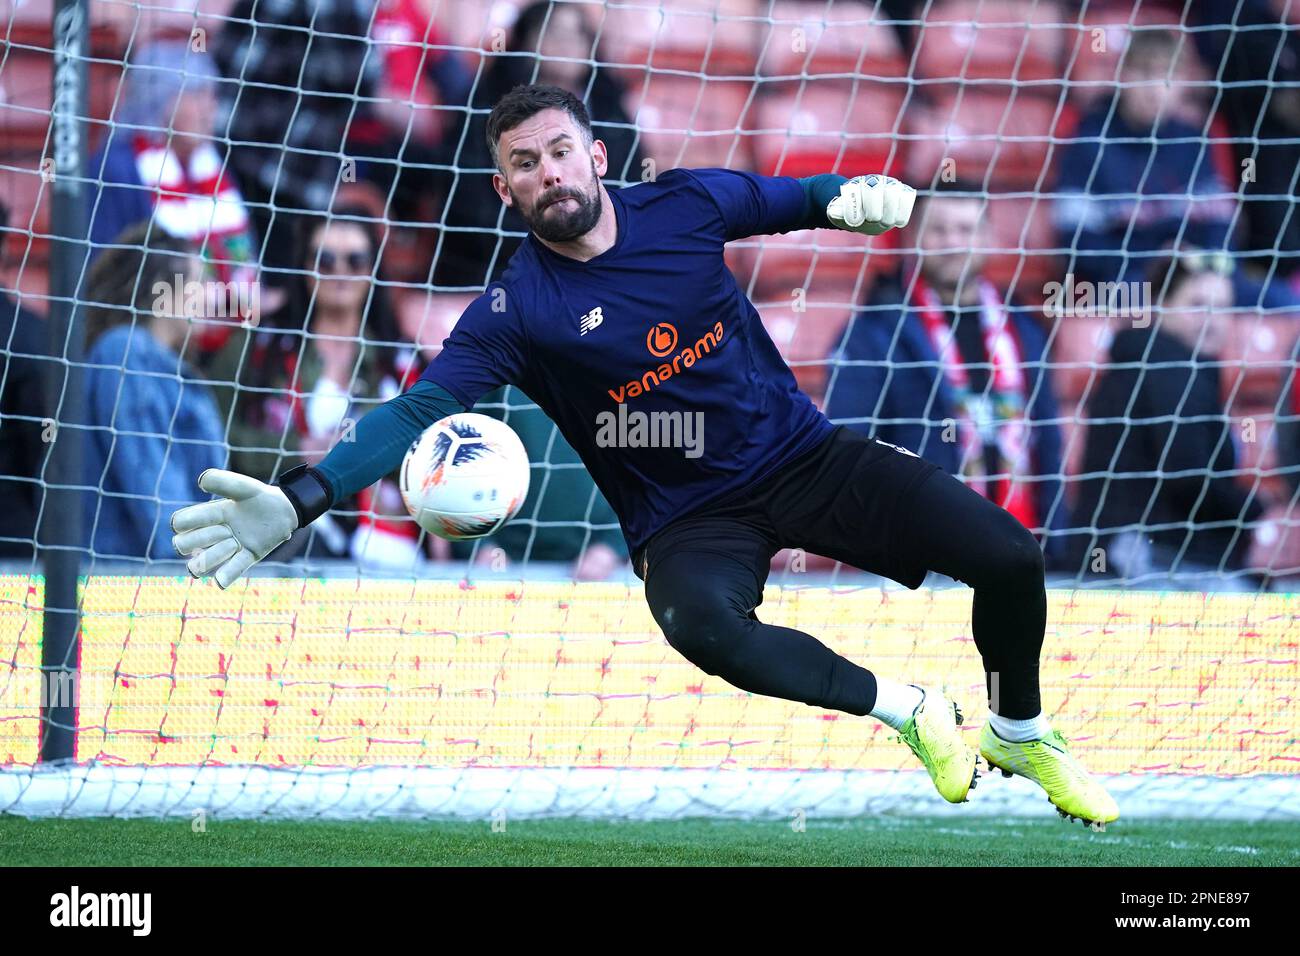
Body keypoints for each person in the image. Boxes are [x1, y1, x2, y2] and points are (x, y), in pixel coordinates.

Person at [170, 84, 1119, 829]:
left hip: (802, 458)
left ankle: (1019, 731)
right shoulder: (514, 315)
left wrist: (856, 198)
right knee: (704, 627)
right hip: (684, 520)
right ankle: (911, 709)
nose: (548, 174)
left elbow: (796, 198)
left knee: (1009, 557)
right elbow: (410, 412)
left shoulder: (685, 205)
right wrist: (299, 498)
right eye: (523, 166)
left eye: (558, 152)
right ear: (504, 192)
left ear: (598, 154)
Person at [824, 180, 1070, 570]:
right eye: (938, 229)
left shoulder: (1023, 328)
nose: (952, 242)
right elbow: (852, 444)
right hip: (922, 556)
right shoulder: (874, 330)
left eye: (965, 229)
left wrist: (1056, 542)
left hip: (1022, 548)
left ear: (988, 236)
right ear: (914, 236)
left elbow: (1048, 441)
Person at [207, 207, 404, 565]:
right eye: (324, 260)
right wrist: (296, 452)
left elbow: (427, 453)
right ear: (304, 265)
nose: (340, 272)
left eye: (355, 260)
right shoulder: (256, 348)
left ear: (373, 268)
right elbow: (208, 435)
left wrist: (358, 455)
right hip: (274, 539)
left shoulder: (401, 360)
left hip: (384, 545)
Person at [1070, 250, 1272, 590]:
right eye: (1197, 304)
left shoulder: (1154, 358)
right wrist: (1256, 509)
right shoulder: (1170, 365)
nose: (1212, 319)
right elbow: (1187, 477)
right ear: (1161, 304)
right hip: (1148, 562)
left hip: (1128, 553)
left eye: (1222, 307)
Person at [432, 1, 644, 287]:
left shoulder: (611, 109)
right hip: (504, 266)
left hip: (599, 260)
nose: (567, 44)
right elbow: (468, 204)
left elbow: (632, 189)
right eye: (554, 32)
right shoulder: (485, 107)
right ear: (528, 41)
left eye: (578, 34)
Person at [87, 41, 264, 359]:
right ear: (160, 103)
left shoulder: (213, 164)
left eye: (212, 96)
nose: (211, 108)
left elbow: (242, 260)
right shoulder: (115, 169)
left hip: (224, 340)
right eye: (197, 95)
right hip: (144, 344)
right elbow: (107, 275)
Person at [82, 225, 226, 560]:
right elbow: (151, 480)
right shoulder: (125, 352)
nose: (213, 295)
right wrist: (191, 557)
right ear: (164, 289)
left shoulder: (162, 363)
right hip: (136, 585)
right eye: (201, 282)